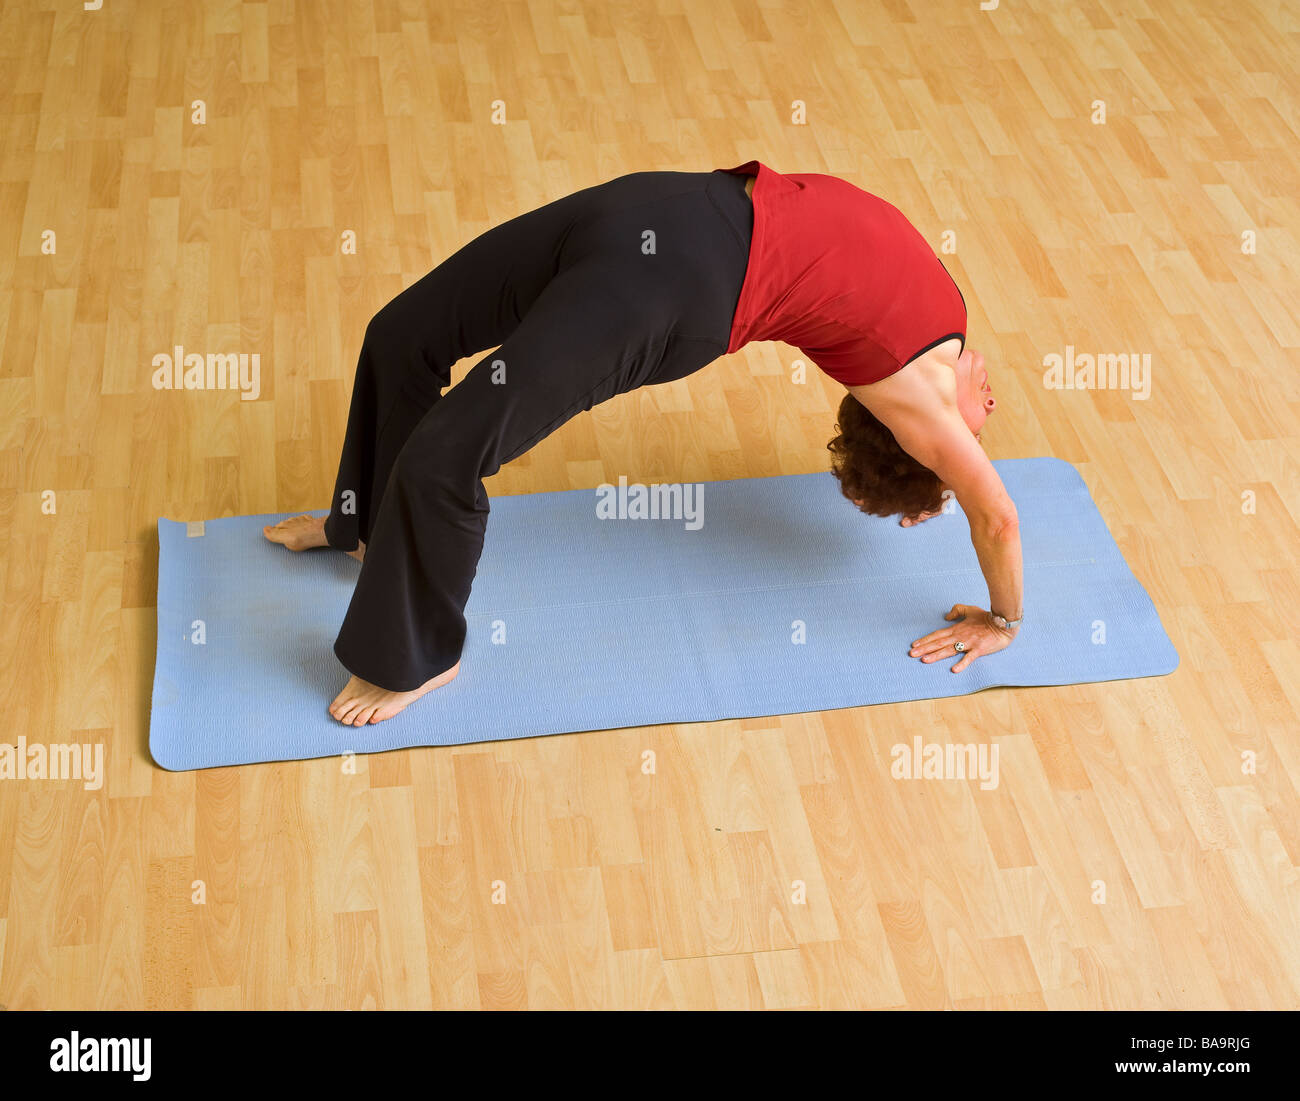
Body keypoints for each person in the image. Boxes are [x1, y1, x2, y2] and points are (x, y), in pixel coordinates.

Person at [264, 161, 1022, 726]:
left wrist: (1002, 619)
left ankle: (418, 655)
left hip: (675, 291)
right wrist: (938, 482)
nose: (987, 401)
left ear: (921, 440)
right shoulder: (944, 326)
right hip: (667, 206)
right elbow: (955, 470)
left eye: (973, 426)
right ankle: (361, 525)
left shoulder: (921, 402)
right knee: (400, 333)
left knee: (446, 451)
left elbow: (1000, 519)